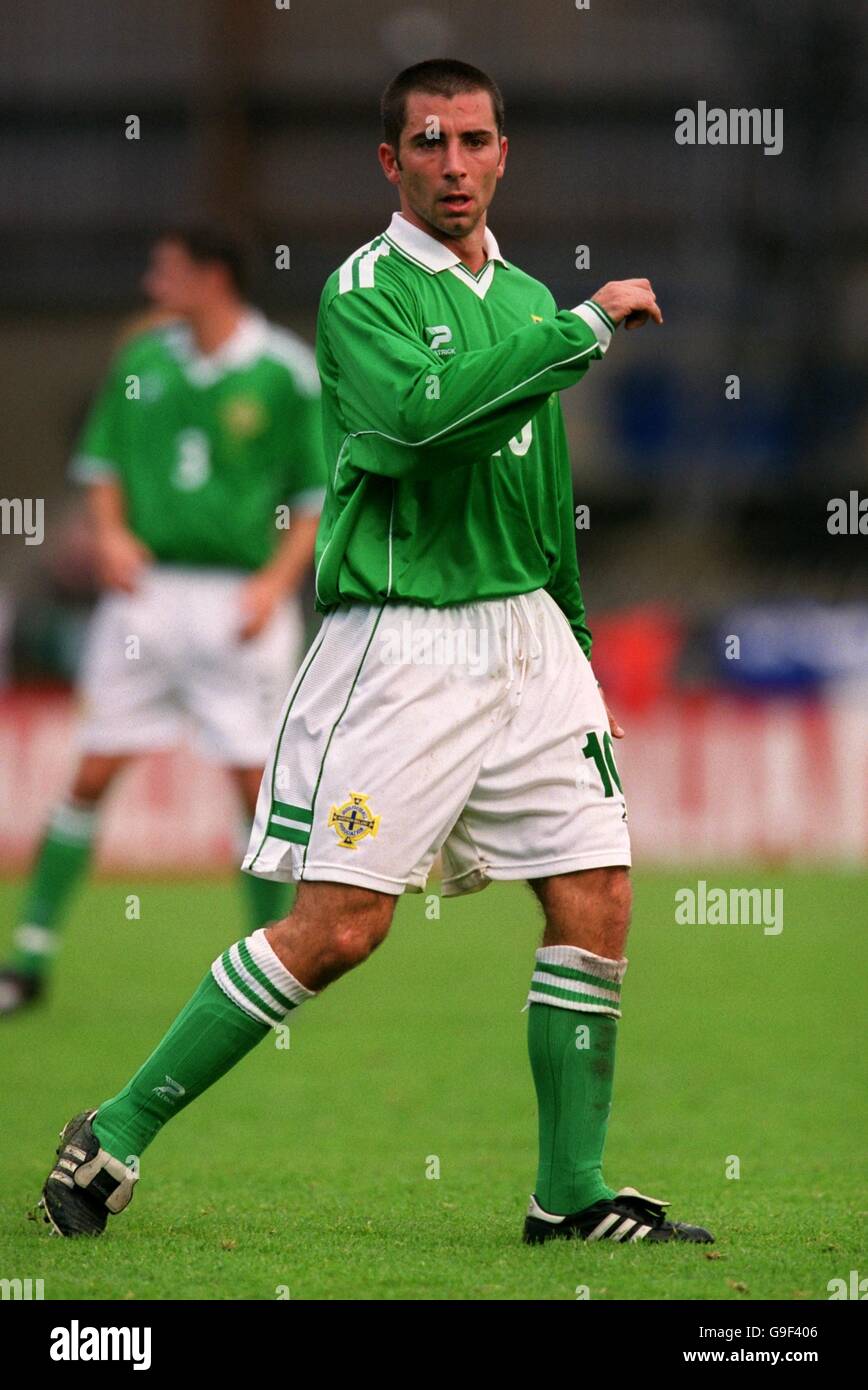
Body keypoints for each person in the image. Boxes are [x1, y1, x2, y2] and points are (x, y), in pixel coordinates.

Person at [38, 61, 712, 1246]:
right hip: (406, 642)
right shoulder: (364, 293)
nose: (454, 164)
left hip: (530, 640)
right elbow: (422, 422)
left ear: (505, 153)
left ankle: (569, 1192)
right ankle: (118, 1128)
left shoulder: (527, 298)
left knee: (595, 893)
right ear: (389, 161)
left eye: (476, 141)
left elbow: (543, 496)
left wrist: (575, 636)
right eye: (430, 143)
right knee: (342, 927)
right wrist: (584, 330)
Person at [1, 227, 326, 1016]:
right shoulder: (142, 360)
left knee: (253, 784)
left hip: (239, 599)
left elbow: (316, 497)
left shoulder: (285, 371)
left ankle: (271, 969)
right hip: (146, 596)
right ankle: (29, 957)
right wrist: (111, 535)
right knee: (92, 770)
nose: (154, 283)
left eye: (167, 270)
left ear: (212, 277)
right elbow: (102, 467)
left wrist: (276, 584)